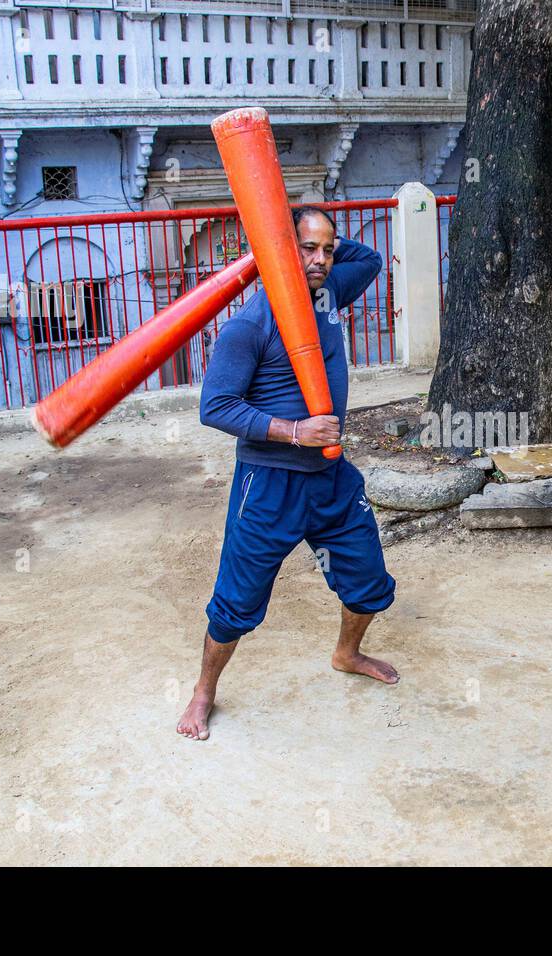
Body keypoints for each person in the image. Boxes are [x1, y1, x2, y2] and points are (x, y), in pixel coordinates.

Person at [177, 207, 397, 741]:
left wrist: (319, 251)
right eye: (306, 248)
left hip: (331, 475)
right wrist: (295, 432)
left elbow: (367, 258)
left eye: (327, 248)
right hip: (269, 482)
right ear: (281, 249)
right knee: (237, 601)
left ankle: (347, 653)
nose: (321, 260)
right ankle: (204, 691)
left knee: (367, 579)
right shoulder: (250, 324)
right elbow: (216, 407)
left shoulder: (327, 293)